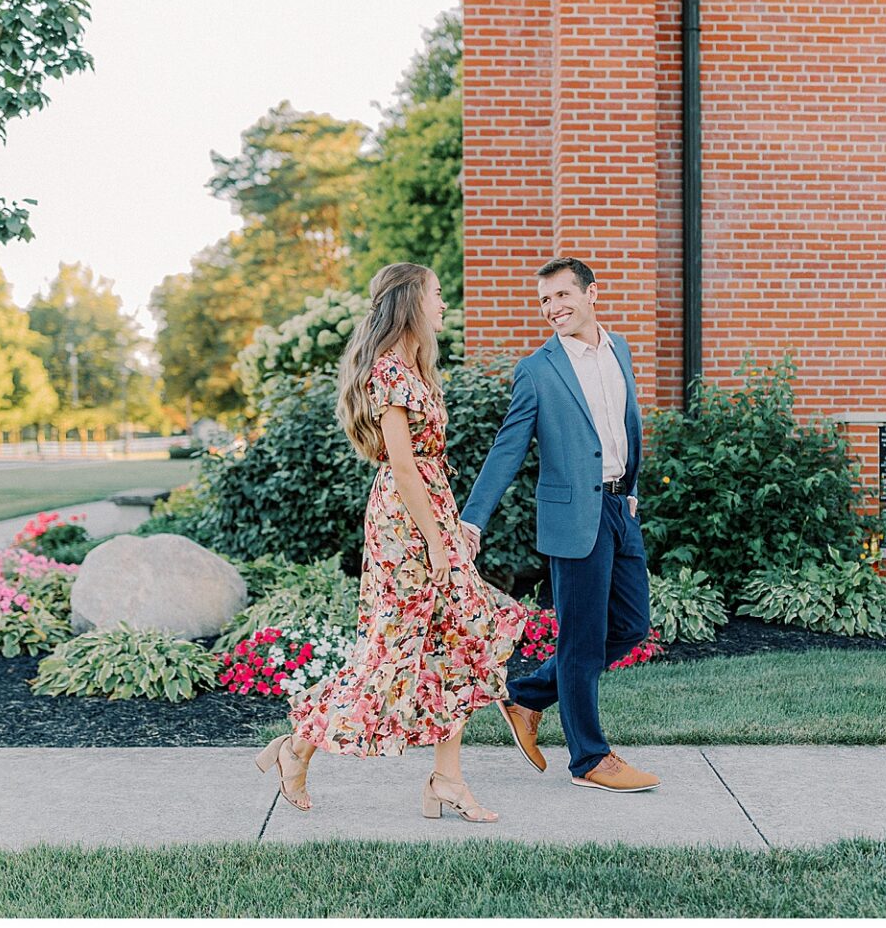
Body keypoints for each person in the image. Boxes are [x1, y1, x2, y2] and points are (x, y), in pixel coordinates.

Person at [255, 262, 530, 822]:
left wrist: (447, 530)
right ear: (410, 301)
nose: (444, 303)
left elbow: (422, 468)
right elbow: (403, 468)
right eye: (436, 293)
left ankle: (446, 778)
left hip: (432, 512)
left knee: (460, 639)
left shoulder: (415, 369)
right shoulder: (388, 373)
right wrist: (435, 541)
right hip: (408, 524)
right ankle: (299, 745)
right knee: (391, 653)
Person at [461, 257, 660, 793]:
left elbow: (624, 430)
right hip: (573, 518)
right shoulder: (538, 369)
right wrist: (472, 519)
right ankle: (590, 759)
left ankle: (525, 697)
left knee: (630, 627)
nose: (554, 309)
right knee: (579, 639)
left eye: (563, 296)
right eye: (545, 300)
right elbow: (508, 448)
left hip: (621, 510)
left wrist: (632, 493)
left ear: (592, 293)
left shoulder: (621, 351)